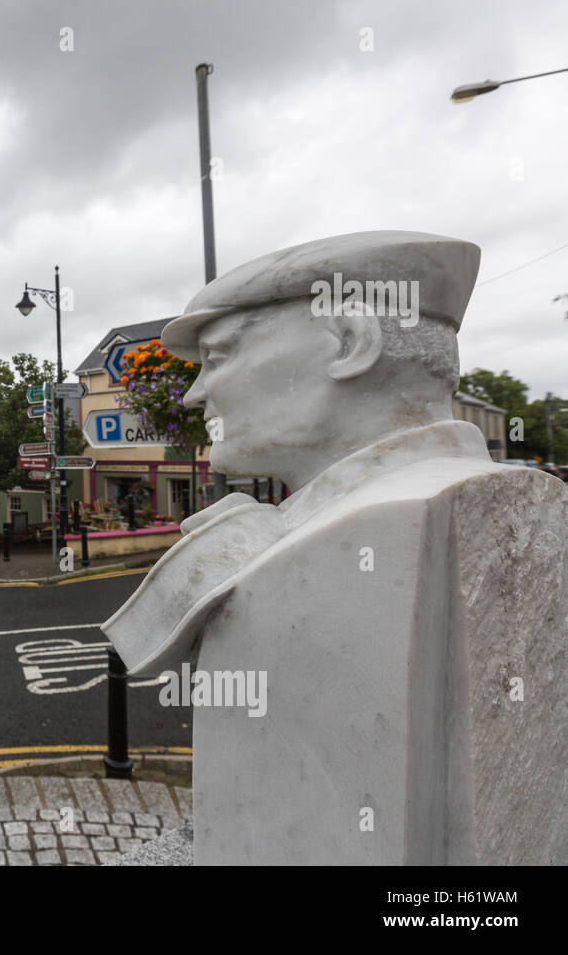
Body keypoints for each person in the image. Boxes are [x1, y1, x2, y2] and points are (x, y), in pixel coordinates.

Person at [102, 230, 568, 865]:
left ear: (349, 342)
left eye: (218, 357)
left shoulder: (373, 526)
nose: (193, 393)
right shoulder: (497, 496)